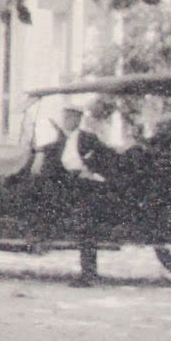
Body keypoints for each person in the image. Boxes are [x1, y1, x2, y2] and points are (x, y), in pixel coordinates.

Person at [27, 105, 114, 287]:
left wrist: (93, 173)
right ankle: (40, 239)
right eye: (65, 117)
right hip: (68, 185)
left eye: (70, 118)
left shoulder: (87, 138)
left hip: (87, 186)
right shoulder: (60, 141)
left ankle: (89, 274)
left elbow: (104, 158)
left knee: (86, 228)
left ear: (78, 119)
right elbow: (49, 154)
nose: (66, 121)